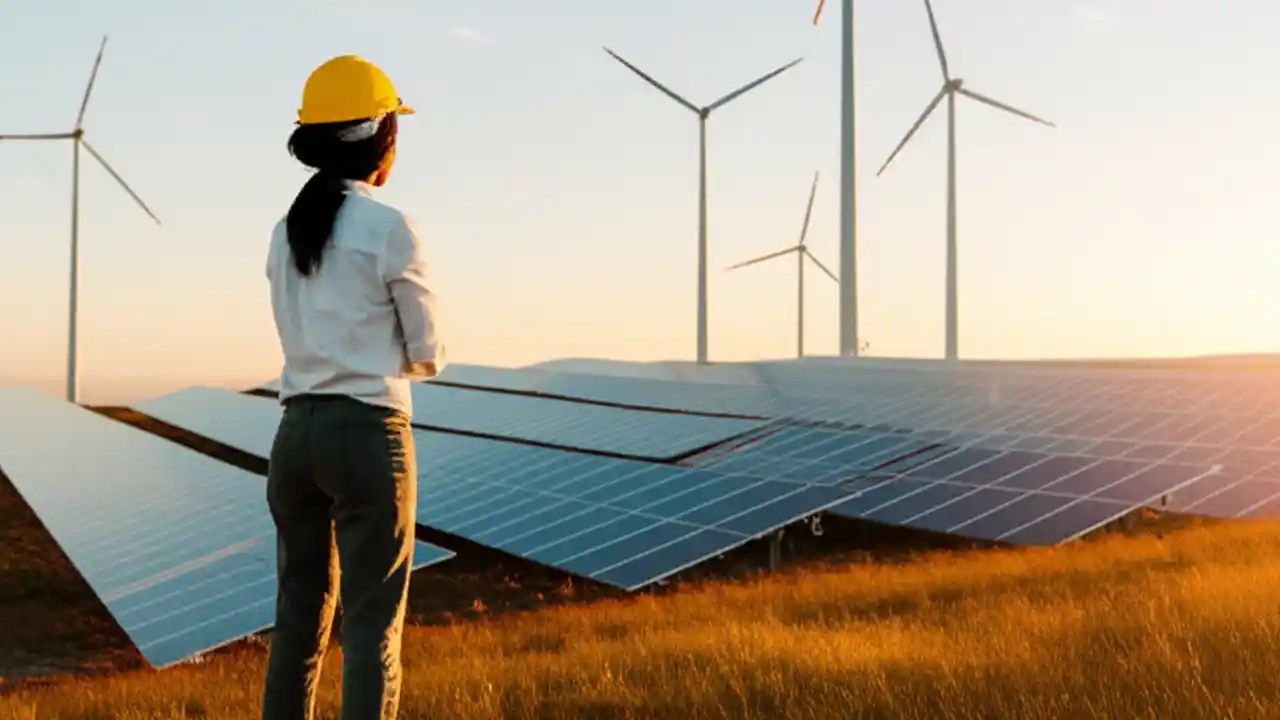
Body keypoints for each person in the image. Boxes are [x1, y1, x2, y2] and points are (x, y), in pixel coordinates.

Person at [261, 54, 445, 720]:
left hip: (293, 438)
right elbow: (428, 354)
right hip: (368, 436)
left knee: (298, 623)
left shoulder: (285, 234)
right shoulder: (391, 227)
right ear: (381, 139)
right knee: (371, 627)